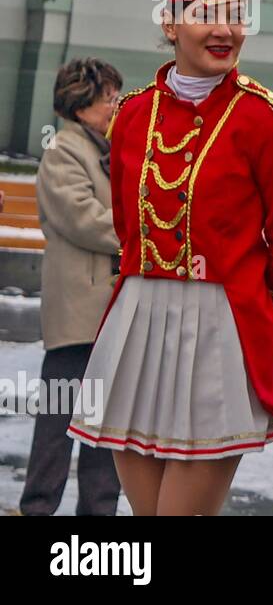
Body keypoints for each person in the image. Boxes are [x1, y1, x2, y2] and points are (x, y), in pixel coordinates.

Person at [68, 0, 273, 515]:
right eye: (206, 13)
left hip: (218, 333)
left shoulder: (263, 120)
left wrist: (242, 289)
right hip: (137, 326)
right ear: (170, 21)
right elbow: (126, 226)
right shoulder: (131, 116)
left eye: (235, 14)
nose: (225, 29)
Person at [20, 59, 125, 515]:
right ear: (81, 106)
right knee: (58, 424)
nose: (116, 105)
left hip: (108, 318)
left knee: (104, 427)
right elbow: (82, 218)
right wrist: (142, 228)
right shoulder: (66, 150)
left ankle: (98, 514)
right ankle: (39, 508)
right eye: (108, 98)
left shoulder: (106, 148)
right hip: (77, 320)